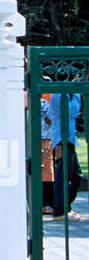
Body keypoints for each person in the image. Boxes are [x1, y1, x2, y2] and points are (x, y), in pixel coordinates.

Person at [43, 92, 83, 220]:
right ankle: (60, 210)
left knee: (76, 174)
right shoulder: (58, 95)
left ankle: (65, 206)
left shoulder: (64, 95)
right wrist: (77, 94)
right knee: (62, 175)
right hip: (61, 140)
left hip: (69, 139)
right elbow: (72, 111)